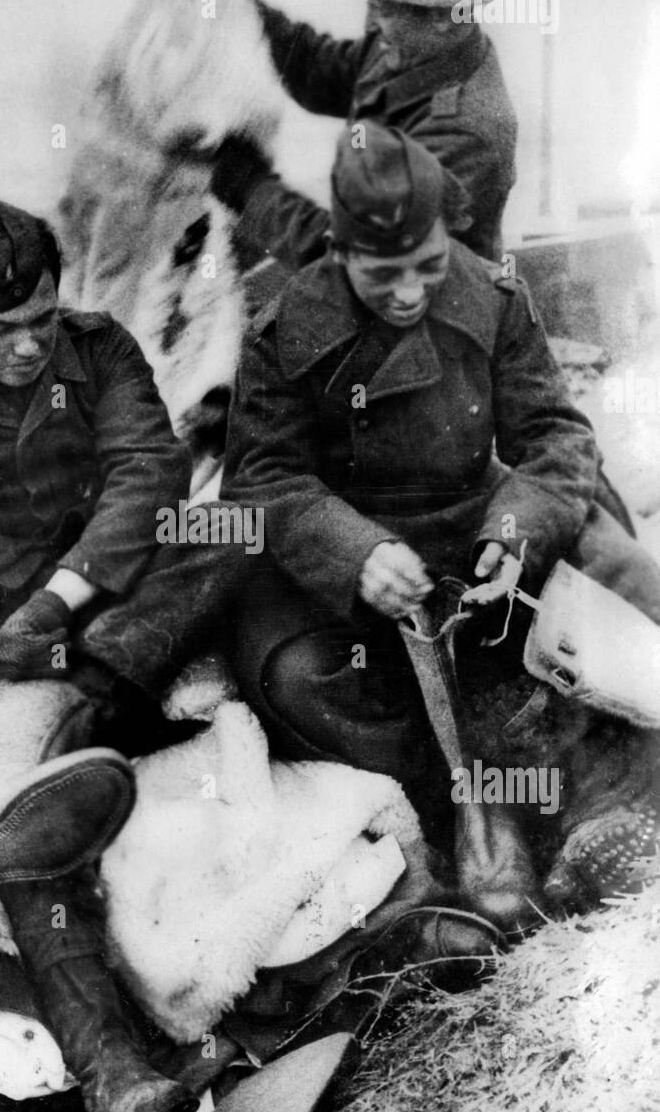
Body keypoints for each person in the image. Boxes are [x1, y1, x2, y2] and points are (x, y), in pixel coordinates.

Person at [0, 195, 245, 1112]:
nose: (31, 347)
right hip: (9, 663)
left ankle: (82, 707)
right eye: (2, 331)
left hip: (102, 613)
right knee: (28, 818)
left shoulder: (99, 347)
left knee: (234, 524)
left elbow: (146, 473)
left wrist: (65, 598)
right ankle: (110, 1076)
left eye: (41, 320)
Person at [221, 122, 660, 929]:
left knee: (634, 590)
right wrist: (357, 551)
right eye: (382, 274)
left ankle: (604, 808)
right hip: (344, 541)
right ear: (340, 249)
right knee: (300, 676)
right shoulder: (285, 329)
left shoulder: (490, 296)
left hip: (477, 510)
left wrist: (514, 531)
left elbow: (557, 439)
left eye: (426, 264)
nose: (411, 292)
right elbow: (260, 477)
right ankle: (455, 814)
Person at [211, 0, 516, 268]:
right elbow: (316, 70)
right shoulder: (404, 52)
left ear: (443, 14)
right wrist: (244, 9)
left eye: (384, 9)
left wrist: (250, 190)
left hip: (423, 314)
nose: (370, 24)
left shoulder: (467, 132)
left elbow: (365, 262)